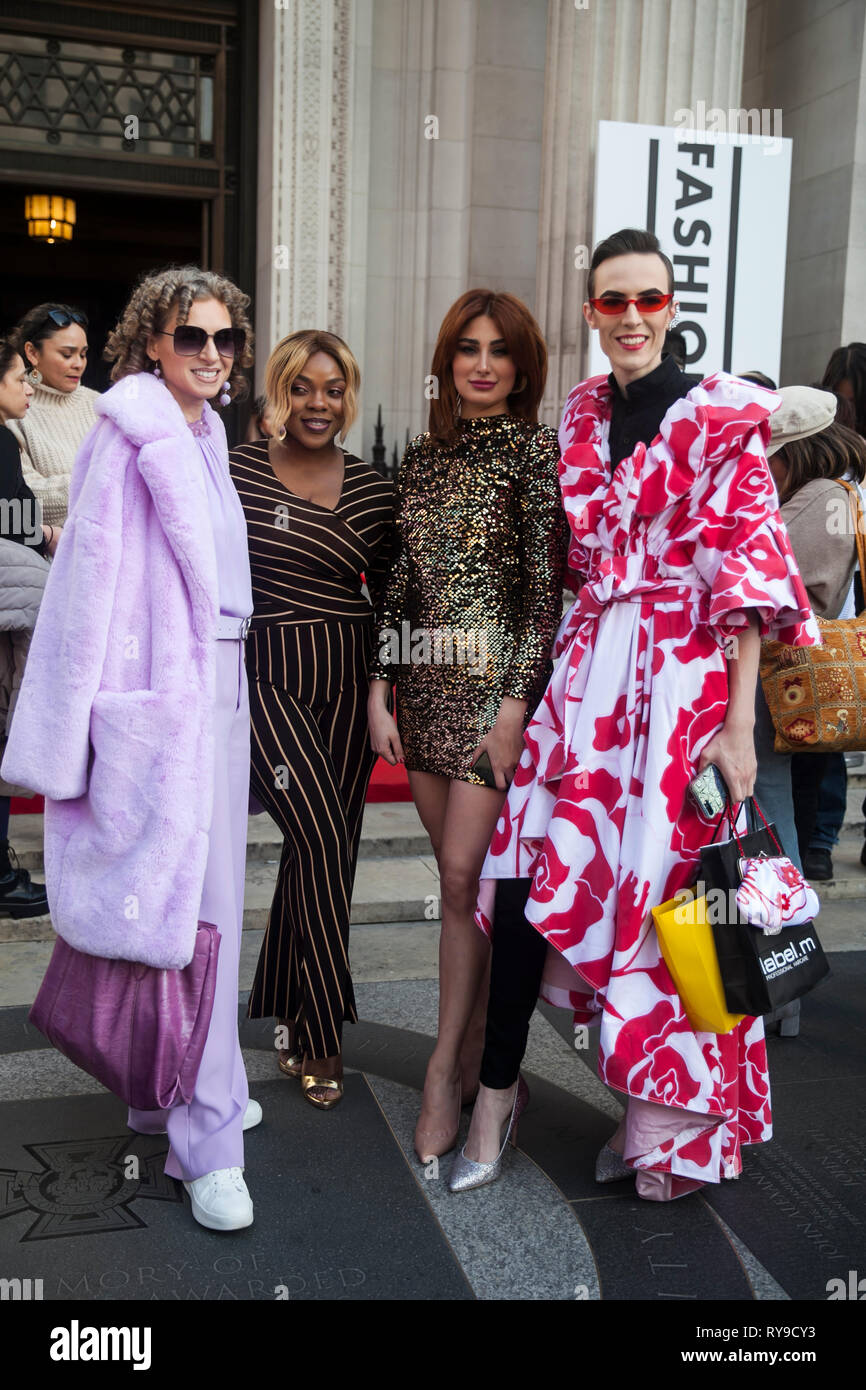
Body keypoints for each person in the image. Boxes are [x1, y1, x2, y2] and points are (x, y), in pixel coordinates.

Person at [452, 228, 818, 1200]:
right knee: (527, 874)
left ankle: (662, 1122)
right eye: (611, 301)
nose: (629, 317)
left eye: (646, 299)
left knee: (673, 904)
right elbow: (563, 570)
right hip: (585, 675)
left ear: (669, 305)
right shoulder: (577, 418)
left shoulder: (718, 417)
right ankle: (493, 1097)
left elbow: (748, 575)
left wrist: (737, 728)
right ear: (591, 312)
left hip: (681, 684)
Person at [2, 266, 261, 1232]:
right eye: (191, 336)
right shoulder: (130, 432)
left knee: (203, 912)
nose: (210, 353)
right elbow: (83, 588)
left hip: (217, 691)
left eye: (225, 338)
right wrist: (70, 735)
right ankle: (208, 1139)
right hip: (161, 707)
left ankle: (179, 1090)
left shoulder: (207, 432)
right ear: (151, 341)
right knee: (193, 919)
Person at [367, 289, 568, 1162]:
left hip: (494, 702)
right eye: (467, 348)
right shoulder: (423, 455)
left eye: (499, 350)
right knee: (463, 894)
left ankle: (446, 1067)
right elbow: (402, 581)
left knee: (458, 876)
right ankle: (485, 1050)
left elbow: (543, 594)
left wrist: (515, 710)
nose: (482, 364)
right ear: (447, 361)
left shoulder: (534, 451)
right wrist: (381, 687)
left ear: (522, 367)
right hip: (425, 693)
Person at [229, 330, 394, 1108]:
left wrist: (385, 688)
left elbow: (393, 598)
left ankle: (291, 1014)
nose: (318, 403)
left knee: (324, 853)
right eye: (302, 387)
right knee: (319, 837)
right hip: (267, 677)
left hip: (349, 682)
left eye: (333, 389)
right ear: (280, 391)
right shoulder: (236, 470)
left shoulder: (374, 488)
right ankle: (324, 1032)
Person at [756, 397, 866, 869]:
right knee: (767, 786)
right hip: (785, 658)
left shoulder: (821, 497)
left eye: (770, 457)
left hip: (775, 660)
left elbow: (755, 558)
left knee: (765, 788)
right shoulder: (839, 493)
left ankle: (782, 896)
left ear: (794, 451)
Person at [0, 337, 56, 917]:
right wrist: (48, 534)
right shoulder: (0, 440)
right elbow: (9, 517)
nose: (28, 388)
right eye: (20, 377)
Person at [7, 304, 99, 526]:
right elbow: (22, 498)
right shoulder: (13, 409)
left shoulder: (100, 405)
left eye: (83, 354)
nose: (78, 364)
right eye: (67, 354)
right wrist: (98, 482)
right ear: (32, 352)